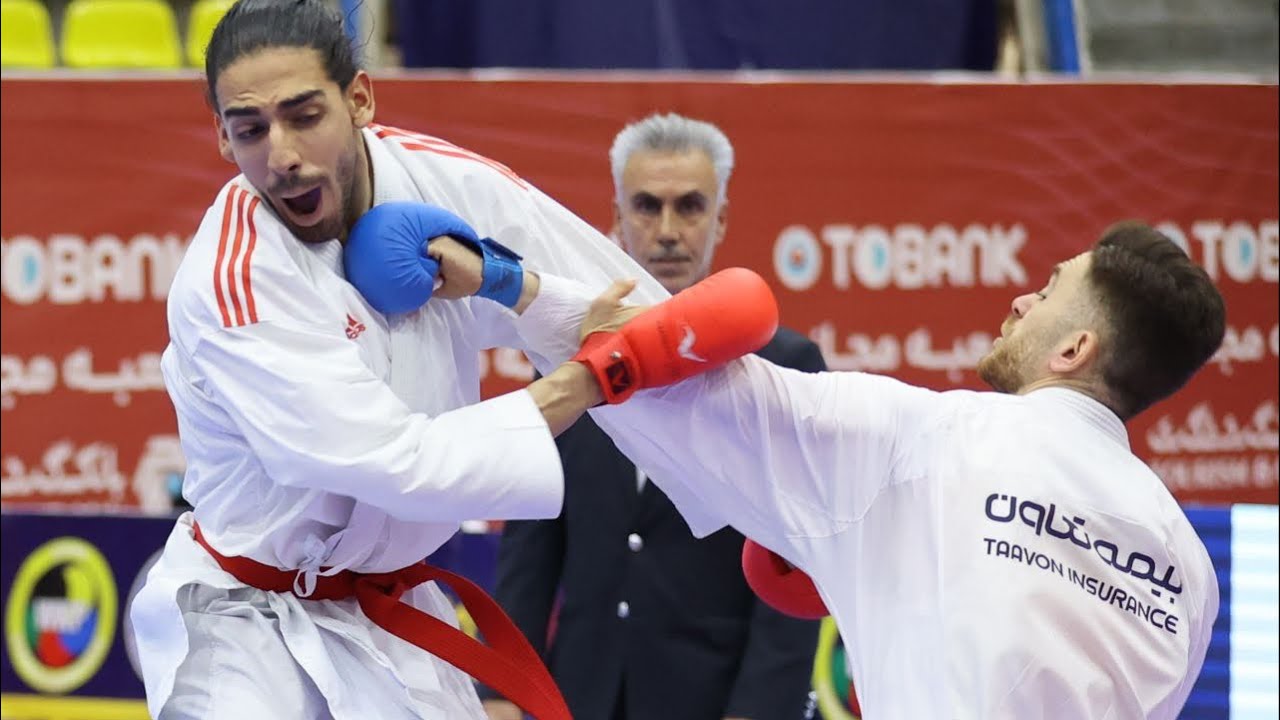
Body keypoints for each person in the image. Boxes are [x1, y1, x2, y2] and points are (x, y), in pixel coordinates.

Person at [125, 2, 762, 718]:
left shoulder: (443, 181)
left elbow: (634, 317)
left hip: (392, 611)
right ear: (222, 136)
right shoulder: (236, 282)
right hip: (247, 624)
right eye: (250, 130)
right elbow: (402, 465)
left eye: (305, 116)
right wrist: (586, 380)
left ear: (359, 99)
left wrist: (506, 282)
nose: (281, 155)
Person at [441, 221, 1224, 718]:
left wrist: (505, 281)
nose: (1022, 300)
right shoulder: (1189, 569)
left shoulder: (932, 440)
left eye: (1049, 291)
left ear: (1074, 349)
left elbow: (696, 383)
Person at [482, 114, 824, 720]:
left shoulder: (784, 367)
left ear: (720, 219)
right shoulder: (568, 361)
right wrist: (500, 690)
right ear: (617, 217)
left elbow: (798, 555)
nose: (667, 231)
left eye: (689, 207)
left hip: (716, 699)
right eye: (647, 206)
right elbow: (531, 546)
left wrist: (759, 709)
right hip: (581, 694)